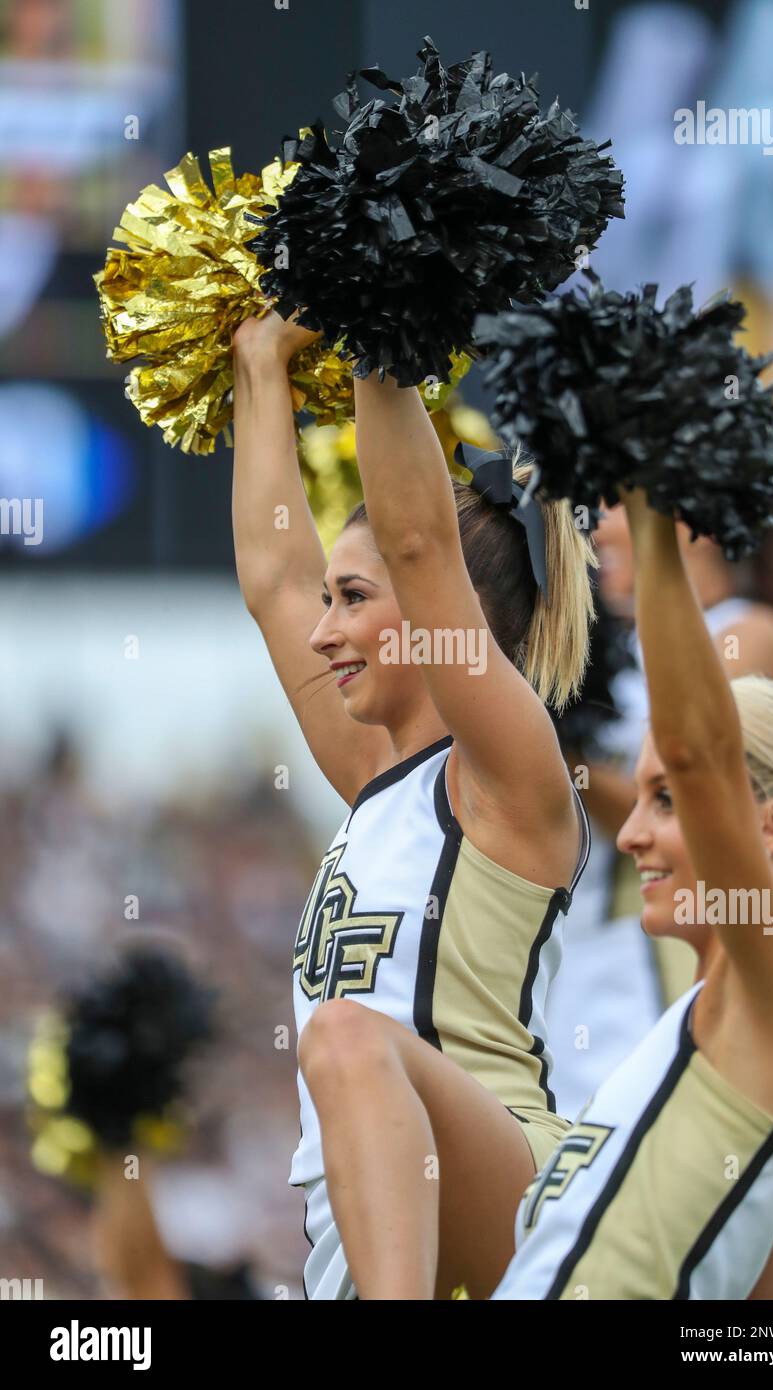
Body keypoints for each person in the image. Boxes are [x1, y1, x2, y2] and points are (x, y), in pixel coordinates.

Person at [230, 310, 594, 1300]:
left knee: (343, 1035)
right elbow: (271, 576)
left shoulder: (505, 779)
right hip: (364, 1237)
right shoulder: (371, 779)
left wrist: (384, 308)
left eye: (352, 598)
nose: (323, 631)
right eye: (332, 598)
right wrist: (258, 362)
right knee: (343, 1041)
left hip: (509, 1198)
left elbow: (421, 541)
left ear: (437, 620)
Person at [492, 486, 773, 1300]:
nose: (630, 831)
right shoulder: (708, 1039)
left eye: (666, 799)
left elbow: (703, 764)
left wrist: (651, 499)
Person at [546, 460, 773, 1121]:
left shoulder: (744, 632)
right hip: (580, 950)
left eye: (616, 504)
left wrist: (558, 741)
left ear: (685, 520)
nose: (599, 528)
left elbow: (687, 792)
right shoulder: (609, 639)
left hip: (663, 952)